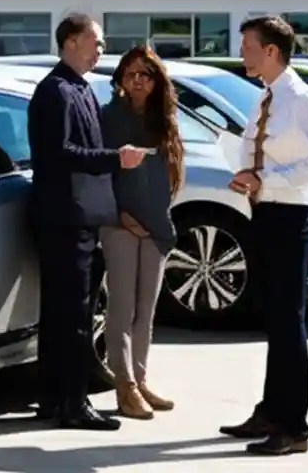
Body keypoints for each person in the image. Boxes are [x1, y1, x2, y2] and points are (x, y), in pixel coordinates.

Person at [219, 15, 308, 456]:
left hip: (291, 217)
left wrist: (265, 179)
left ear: (271, 51)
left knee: (289, 324)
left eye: (248, 47)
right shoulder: (266, 96)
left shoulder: (303, 100)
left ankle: (294, 427)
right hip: (265, 212)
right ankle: (270, 411)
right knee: (273, 319)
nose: (242, 54)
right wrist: (247, 173)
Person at [27, 12, 148, 431]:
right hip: (64, 216)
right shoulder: (55, 91)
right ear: (72, 42)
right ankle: (72, 402)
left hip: (81, 215)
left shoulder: (80, 88)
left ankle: (55, 397)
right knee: (71, 314)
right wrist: (116, 158)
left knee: (67, 312)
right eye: (96, 42)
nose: (101, 50)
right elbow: (60, 152)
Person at [100, 45, 185, 419]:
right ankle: (125, 386)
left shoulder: (164, 118)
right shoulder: (108, 117)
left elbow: (172, 171)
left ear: (156, 81)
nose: (137, 80)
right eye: (130, 73)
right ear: (120, 77)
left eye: (145, 74)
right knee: (122, 306)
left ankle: (141, 378)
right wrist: (121, 214)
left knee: (145, 309)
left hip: (156, 225)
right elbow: (99, 171)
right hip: (119, 222)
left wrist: (157, 216)